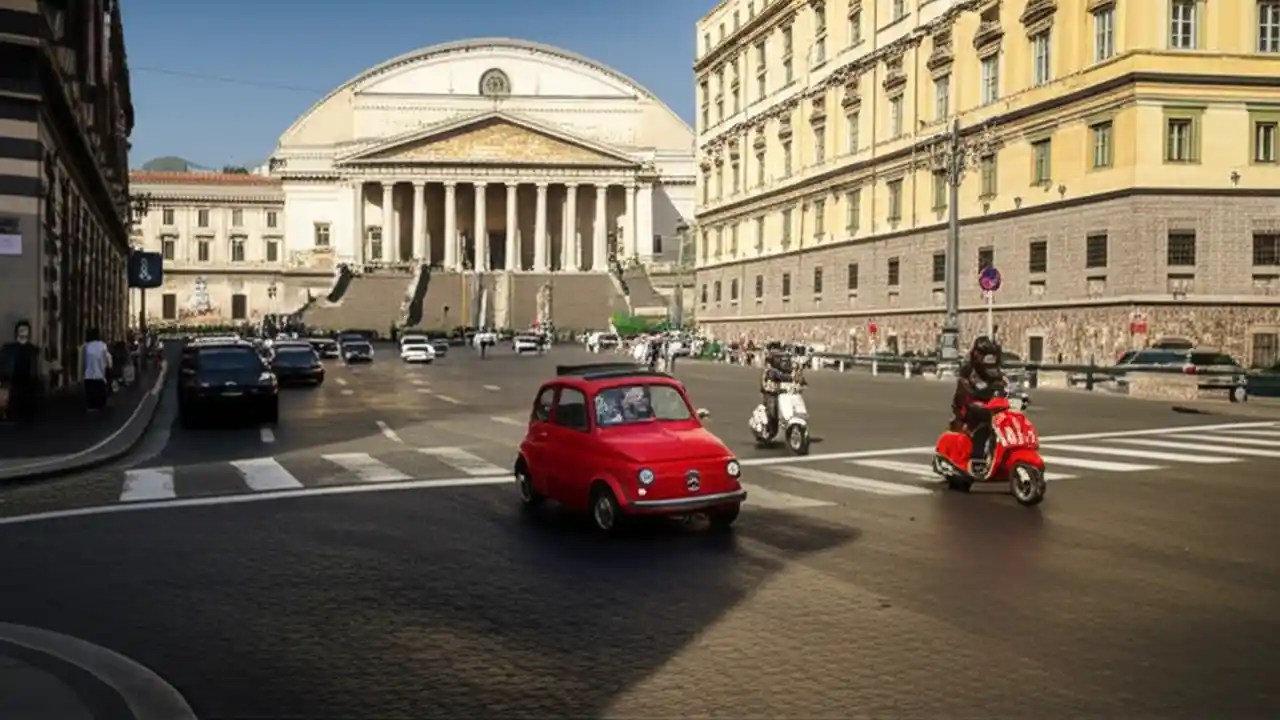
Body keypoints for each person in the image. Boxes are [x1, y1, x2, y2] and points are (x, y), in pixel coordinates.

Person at [951, 336, 1007, 476]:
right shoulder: (968, 370)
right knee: (982, 426)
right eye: (984, 354)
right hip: (967, 405)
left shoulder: (994, 370)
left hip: (989, 405)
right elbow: (969, 391)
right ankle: (977, 460)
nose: (989, 359)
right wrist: (984, 393)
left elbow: (1004, 385)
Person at [759, 342, 800, 438]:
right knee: (772, 413)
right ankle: (768, 429)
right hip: (770, 394)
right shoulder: (771, 370)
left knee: (776, 412)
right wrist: (792, 376)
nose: (782, 361)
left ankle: (774, 428)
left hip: (774, 393)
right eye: (778, 359)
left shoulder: (772, 368)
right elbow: (782, 376)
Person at [82, 328, 112, 411]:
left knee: (91, 402)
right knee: (100, 402)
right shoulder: (102, 346)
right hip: (100, 376)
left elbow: (84, 361)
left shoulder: (86, 346)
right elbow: (107, 360)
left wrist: (83, 372)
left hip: (89, 376)